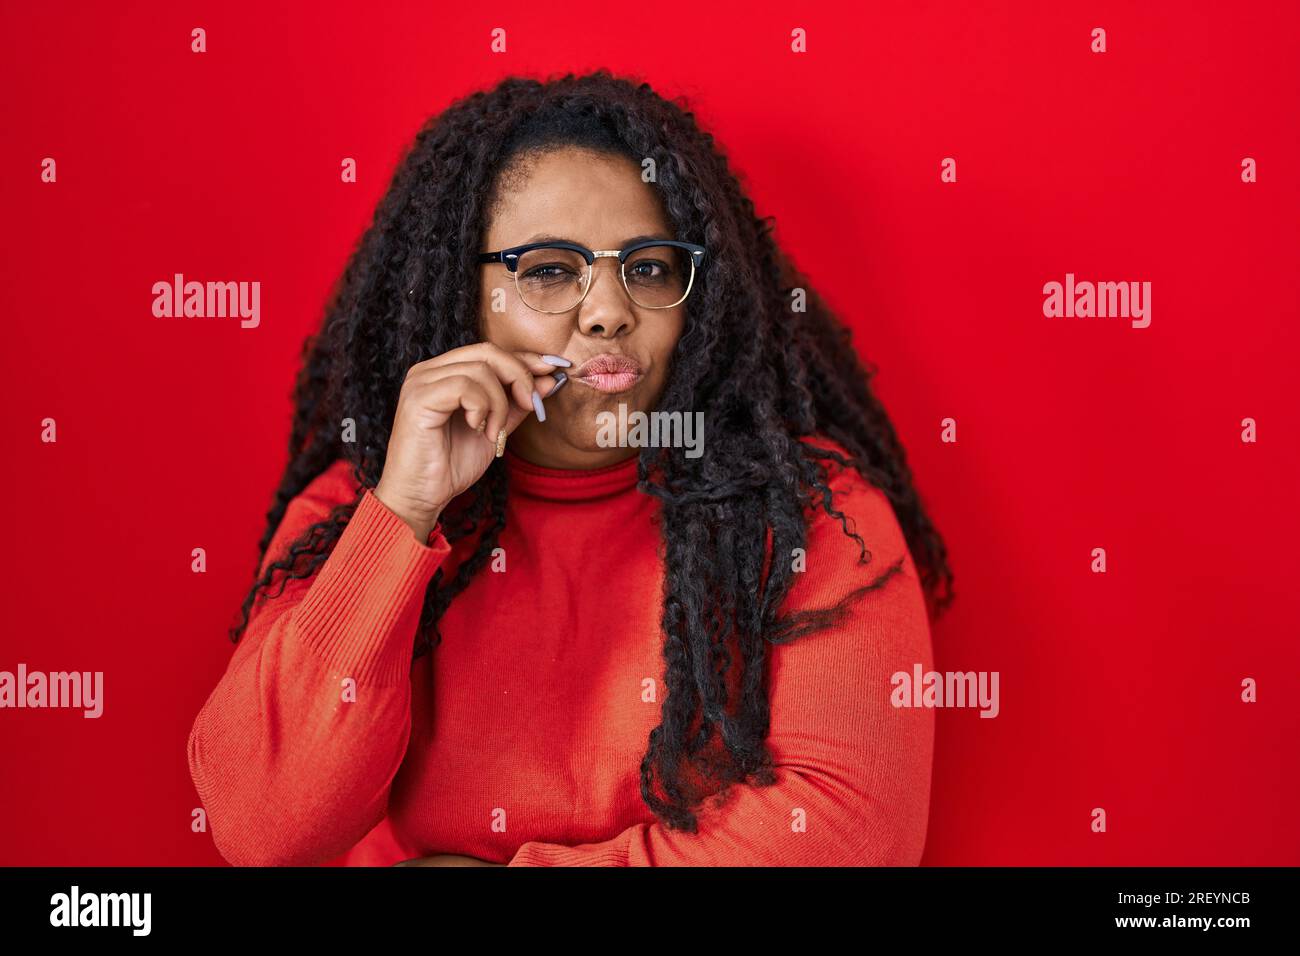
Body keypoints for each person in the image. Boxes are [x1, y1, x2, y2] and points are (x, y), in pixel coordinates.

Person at [187, 69, 955, 867]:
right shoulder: (355, 513)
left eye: (650, 267)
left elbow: (848, 834)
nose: (608, 309)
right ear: (462, 291)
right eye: (550, 269)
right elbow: (262, 827)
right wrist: (402, 514)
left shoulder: (809, 513)